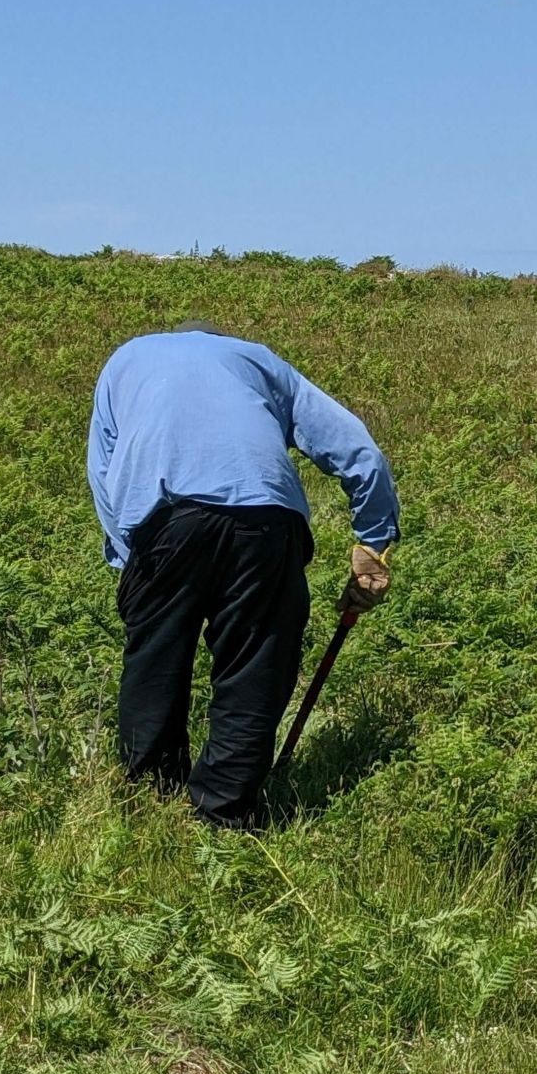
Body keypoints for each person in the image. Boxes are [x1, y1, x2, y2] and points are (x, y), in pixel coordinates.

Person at [87, 321, 399, 828]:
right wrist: (373, 541)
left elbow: (102, 469)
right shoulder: (259, 362)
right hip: (267, 521)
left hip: (165, 519)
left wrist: (129, 562)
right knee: (256, 665)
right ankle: (224, 815)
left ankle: (149, 801)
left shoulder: (124, 362)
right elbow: (360, 453)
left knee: (155, 660)